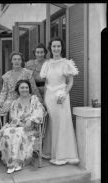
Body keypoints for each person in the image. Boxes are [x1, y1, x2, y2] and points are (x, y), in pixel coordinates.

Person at [0, 52, 42, 161]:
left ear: (22, 61)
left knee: (1, 115)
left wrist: (41, 102)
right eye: (15, 59)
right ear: (11, 61)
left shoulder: (28, 73)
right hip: (9, 100)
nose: (17, 61)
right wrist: (1, 101)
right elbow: (4, 91)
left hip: (22, 100)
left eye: (19, 59)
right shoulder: (7, 75)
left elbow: (33, 88)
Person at [40, 37, 80, 165]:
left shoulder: (66, 63)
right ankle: (51, 152)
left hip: (61, 96)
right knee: (52, 124)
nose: (56, 48)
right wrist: (45, 100)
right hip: (50, 97)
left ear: (61, 47)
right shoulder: (47, 64)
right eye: (53, 46)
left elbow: (71, 81)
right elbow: (46, 83)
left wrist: (64, 93)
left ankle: (62, 155)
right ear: (50, 48)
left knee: (63, 123)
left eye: (58, 46)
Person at [0, 80, 45, 173]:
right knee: (7, 132)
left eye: (26, 87)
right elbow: (13, 117)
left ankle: (14, 163)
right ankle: (13, 162)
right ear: (18, 89)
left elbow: (39, 111)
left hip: (31, 128)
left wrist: (30, 120)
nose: (25, 89)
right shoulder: (15, 102)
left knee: (18, 133)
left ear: (29, 89)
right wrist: (20, 123)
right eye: (22, 87)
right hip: (18, 126)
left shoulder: (34, 100)